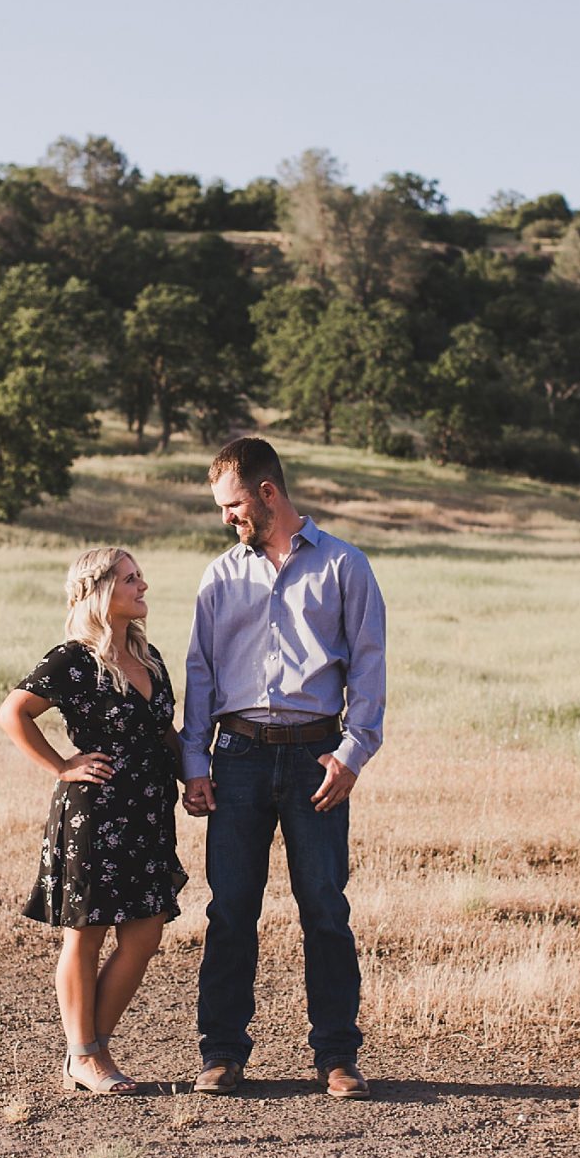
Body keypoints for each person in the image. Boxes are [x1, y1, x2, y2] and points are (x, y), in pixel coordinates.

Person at [180, 437, 387, 1100]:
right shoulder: (220, 577)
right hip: (236, 758)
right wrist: (195, 762)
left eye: (234, 504)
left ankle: (336, 1057)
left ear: (268, 492)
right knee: (230, 910)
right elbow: (201, 673)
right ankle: (222, 1053)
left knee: (325, 908)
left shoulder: (345, 567)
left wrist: (352, 754)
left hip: (315, 760)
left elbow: (369, 668)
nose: (227, 519)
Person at [0, 547, 187, 1095]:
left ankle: (93, 1047)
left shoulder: (149, 659)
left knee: (145, 932)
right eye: (130, 579)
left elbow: (163, 732)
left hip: (149, 813)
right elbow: (12, 714)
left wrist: (192, 777)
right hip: (95, 811)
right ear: (101, 590)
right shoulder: (74, 659)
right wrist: (61, 765)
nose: (143, 585)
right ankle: (85, 1056)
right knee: (88, 932)